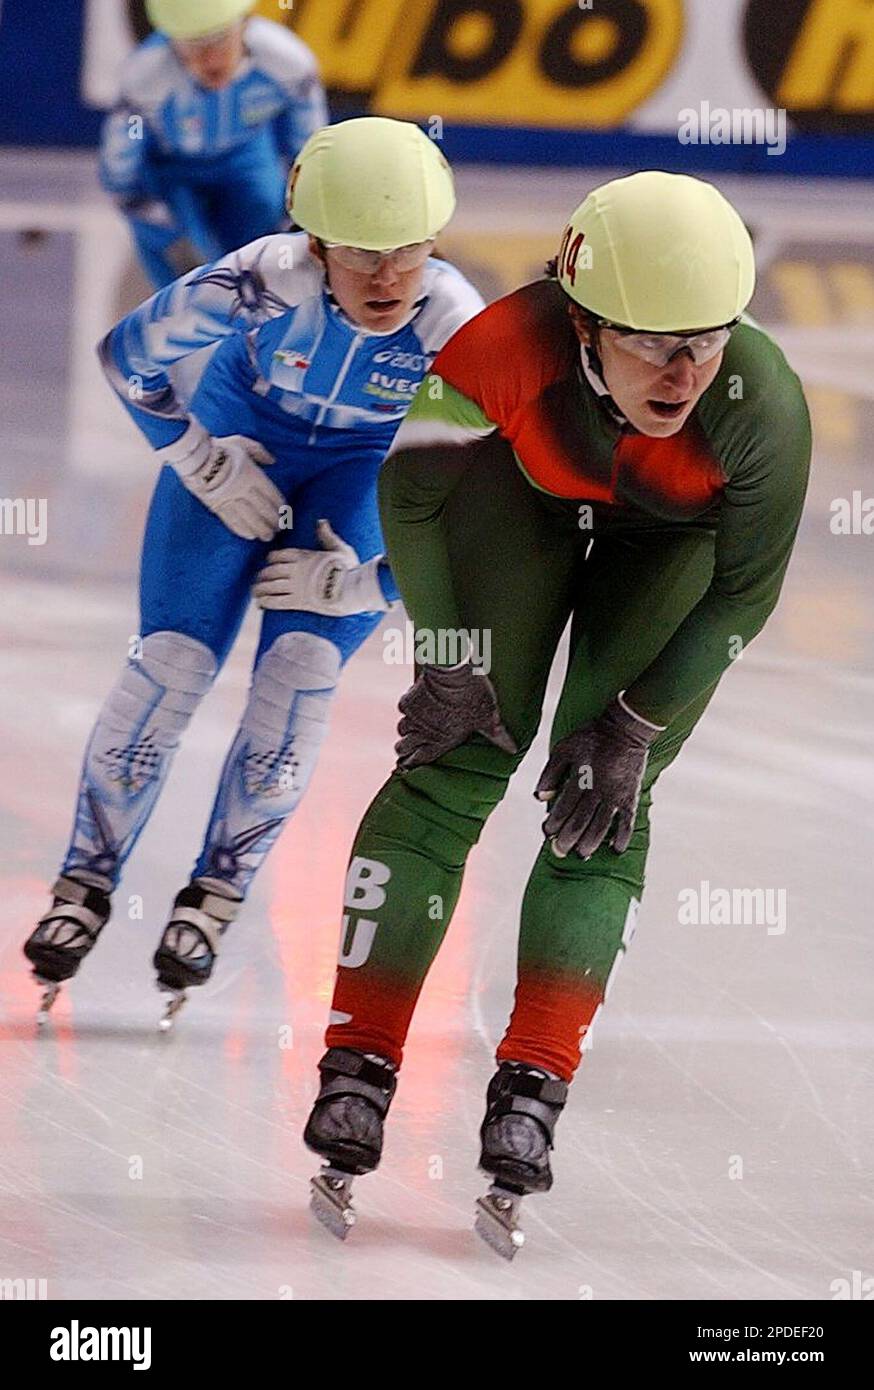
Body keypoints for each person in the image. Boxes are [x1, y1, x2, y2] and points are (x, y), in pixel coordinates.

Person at [291, 171, 812, 1253]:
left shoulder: (760, 402)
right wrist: (445, 656)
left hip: (674, 544)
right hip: (517, 498)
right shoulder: (503, 342)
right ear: (580, 322)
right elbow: (413, 489)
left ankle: (534, 1075)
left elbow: (742, 596)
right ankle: (360, 1058)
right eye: (650, 340)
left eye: (705, 338)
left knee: (601, 797)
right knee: (454, 760)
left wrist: (635, 723)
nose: (683, 369)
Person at [23, 117, 484, 1029]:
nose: (389, 277)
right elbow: (126, 356)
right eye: (361, 253)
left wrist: (367, 587)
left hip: (362, 475)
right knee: (168, 670)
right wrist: (194, 456)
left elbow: (481, 504)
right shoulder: (265, 277)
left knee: (301, 678)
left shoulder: (455, 323)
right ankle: (86, 879)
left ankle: (218, 890)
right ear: (315, 244)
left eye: (409, 252)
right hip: (246, 435)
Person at [100, 0, 328, 289]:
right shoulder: (146, 77)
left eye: (221, 39)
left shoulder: (288, 61)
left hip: (246, 158)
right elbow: (129, 135)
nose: (209, 58)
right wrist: (126, 190)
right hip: (173, 169)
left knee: (267, 230)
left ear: (245, 24)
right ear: (171, 42)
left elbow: (309, 136)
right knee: (176, 247)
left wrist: (305, 190)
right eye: (192, 45)